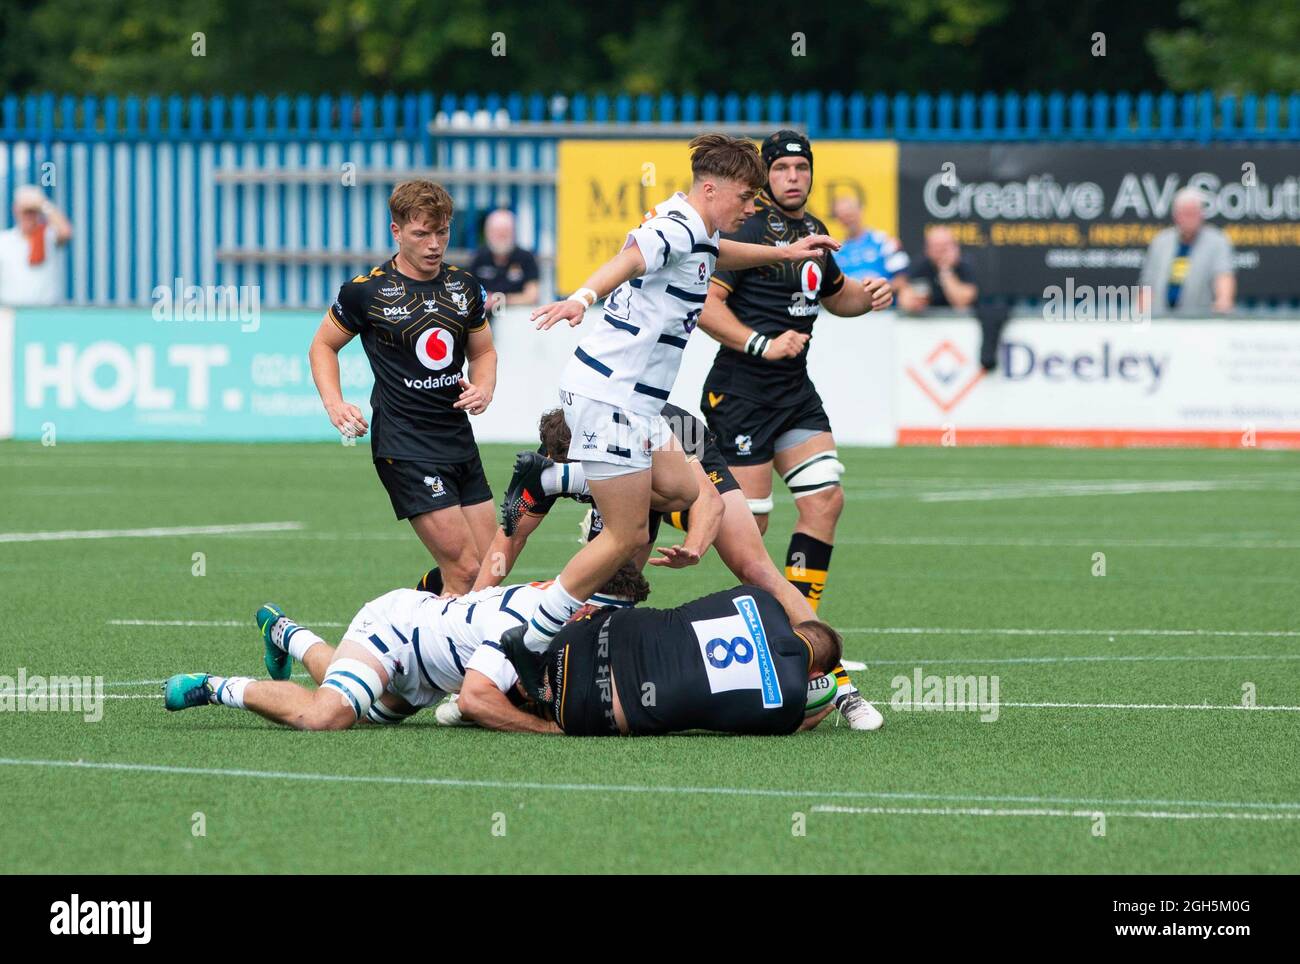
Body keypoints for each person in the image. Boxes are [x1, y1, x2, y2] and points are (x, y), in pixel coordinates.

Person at [512, 134, 839, 659]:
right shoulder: (677, 226)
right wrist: (581, 298)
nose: (752, 207)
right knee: (625, 535)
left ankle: (559, 477)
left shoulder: (699, 227)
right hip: (610, 397)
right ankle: (529, 644)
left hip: (640, 405)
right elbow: (633, 257)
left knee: (692, 494)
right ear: (711, 189)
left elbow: (721, 252)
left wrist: (786, 251)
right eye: (745, 198)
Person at [490, 406, 883, 730]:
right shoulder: (553, 458)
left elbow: (707, 501)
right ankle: (547, 686)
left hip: (680, 467)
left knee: (755, 567)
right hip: (630, 484)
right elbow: (511, 535)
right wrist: (467, 599)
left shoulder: (656, 430)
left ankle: (843, 688)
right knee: (614, 587)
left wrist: (694, 547)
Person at [698, 130, 892, 625]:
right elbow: (706, 306)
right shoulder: (747, 228)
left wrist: (867, 296)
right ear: (765, 175)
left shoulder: (812, 228)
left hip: (793, 392)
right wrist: (761, 343)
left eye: (801, 168)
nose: (793, 177)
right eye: (782, 169)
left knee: (825, 499)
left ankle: (802, 627)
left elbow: (837, 296)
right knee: (751, 524)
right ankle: (666, 504)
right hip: (741, 392)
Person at [159, 565, 650, 732]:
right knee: (326, 716)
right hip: (397, 630)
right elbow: (478, 699)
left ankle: (286, 633)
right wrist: (545, 728)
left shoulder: (559, 607)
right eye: (606, 618)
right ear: (584, 608)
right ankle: (212, 685)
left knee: (350, 694)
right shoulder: (531, 622)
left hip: (428, 677)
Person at [308, 180, 499, 595]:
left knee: (489, 573)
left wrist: (483, 389)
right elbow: (323, 345)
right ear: (396, 232)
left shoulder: (464, 286)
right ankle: (420, 648)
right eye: (422, 234)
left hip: (458, 442)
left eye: (442, 232)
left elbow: (483, 352)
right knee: (465, 570)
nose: (435, 244)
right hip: (406, 446)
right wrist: (334, 403)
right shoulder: (365, 292)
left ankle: (414, 618)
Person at [475, 584, 843, 736]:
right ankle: (537, 693)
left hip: (579, 639)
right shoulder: (790, 700)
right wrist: (822, 704)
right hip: (590, 709)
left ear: (797, 625)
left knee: (648, 623)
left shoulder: (760, 601)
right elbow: (793, 724)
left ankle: (526, 679)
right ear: (814, 672)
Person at [1138, 187, 1235, 317]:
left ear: (1202, 215)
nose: (1189, 219)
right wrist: (1142, 316)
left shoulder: (1217, 241)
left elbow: (1223, 276)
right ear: (1176, 216)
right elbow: (1147, 285)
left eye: (1193, 213)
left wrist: (1223, 302)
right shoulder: (1161, 241)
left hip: (1199, 321)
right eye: (1185, 213)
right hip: (1161, 320)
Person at [0, 186, 73, 306]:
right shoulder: (4, 240)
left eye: (33, 212)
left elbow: (65, 232)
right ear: (16, 211)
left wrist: (43, 204)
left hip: (45, 312)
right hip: (10, 311)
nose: (29, 216)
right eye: (25, 212)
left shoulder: (48, 236)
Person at [831, 193, 911, 292]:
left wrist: (879, 290)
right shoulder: (836, 251)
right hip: (851, 305)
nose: (847, 219)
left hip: (883, 305)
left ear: (861, 210)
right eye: (842, 216)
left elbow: (902, 279)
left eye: (850, 214)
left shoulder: (884, 241)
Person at [469, 208, 540, 309]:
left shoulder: (526, 257)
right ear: (487, 232)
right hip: (485, 317)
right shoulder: (478, 257)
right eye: (496, 231)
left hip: (516, 315)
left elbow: (532, 296)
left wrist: (500, 300)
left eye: (506, 231)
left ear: (514, 232)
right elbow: (468, 294)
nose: (501, 235)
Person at [897, 226, 977, 314]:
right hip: (927, 323)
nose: (940, 250)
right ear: (927, 249)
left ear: (956, 247)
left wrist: (946, 270)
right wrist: (913, 302)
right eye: (936, 246)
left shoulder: (965, 264)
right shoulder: (920, 265)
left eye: (945, 246)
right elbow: (905, 298)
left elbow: (962, 303)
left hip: (962, 323)